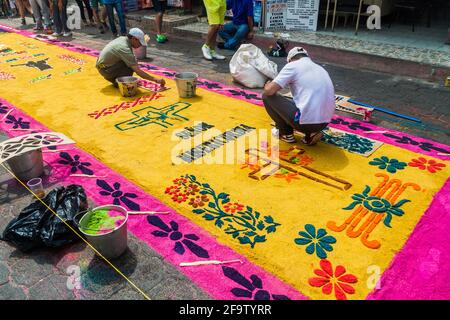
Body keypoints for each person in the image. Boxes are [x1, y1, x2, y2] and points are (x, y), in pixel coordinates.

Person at [262, 47, 335, 146]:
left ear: (290, 60)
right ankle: (311, 135)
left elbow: (270, 91)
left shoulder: (292, 66)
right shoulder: (320, 68)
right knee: (293, 102)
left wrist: (267, 86)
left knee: (267, 96)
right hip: (324, 122)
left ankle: (286, 133)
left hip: (306, 123)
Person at [96, 28, 166, 88]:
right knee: (130, 66)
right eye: (140, 42)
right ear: (133, 39)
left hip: (104, 67)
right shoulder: (124, 48)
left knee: (131, 61)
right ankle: (120, 83)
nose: (140, 45)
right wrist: (156, 80)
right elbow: (138, 71)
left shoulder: (122, 39)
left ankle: (116, 79)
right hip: (106, 70)